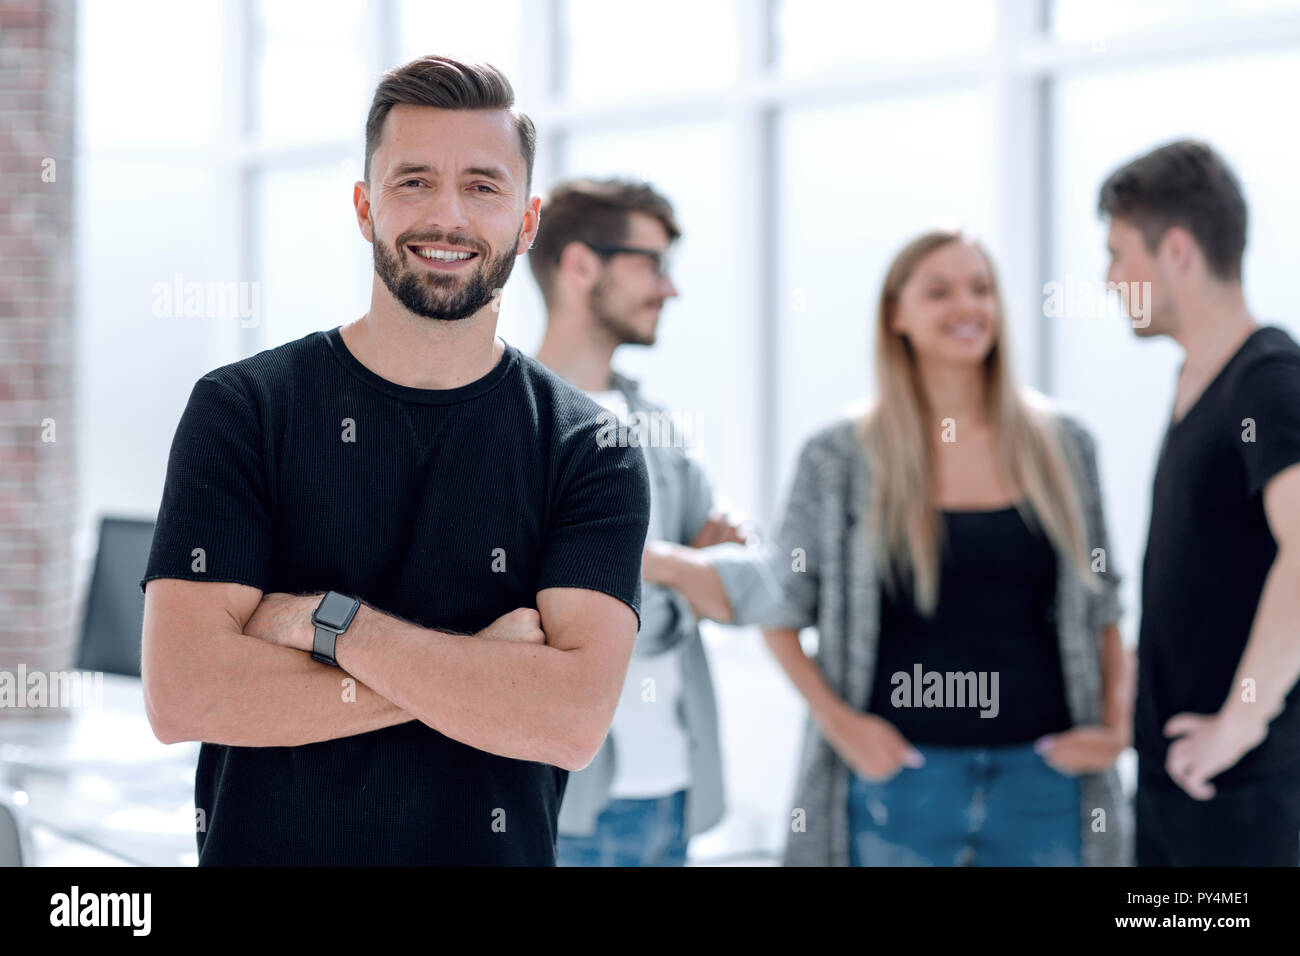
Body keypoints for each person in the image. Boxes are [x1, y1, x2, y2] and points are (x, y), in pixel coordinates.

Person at [138, 55, 651, 866]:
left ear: (527, 221)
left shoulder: (591, 451)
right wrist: (487, 674)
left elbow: (568, 724)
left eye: (483, 185)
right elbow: (185, 693)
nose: (446, 215)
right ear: (363, 205)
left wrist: (324, 624)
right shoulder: (244, 410)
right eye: (413, 181)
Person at [654, 229, 1133, 866]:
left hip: (1045, 779)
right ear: (896, 315)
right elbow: (780, 605)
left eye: (981, 289)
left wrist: (1115, 732)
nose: (968, 307)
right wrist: (844, 728)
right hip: (899, 781)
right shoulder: (841, 457)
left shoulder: (1065, 445)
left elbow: (1103, 610)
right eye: (940, 292)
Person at [530, 178, 761, 866]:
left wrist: (626, 566)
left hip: (676, 795)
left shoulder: (661, 428)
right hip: (562, 805)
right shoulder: (507, 425)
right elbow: (512, 612)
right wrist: (681, 567)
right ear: (580, 267)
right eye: (651, 265)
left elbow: (751, 586)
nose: (670, 289)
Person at [1098, 139, 1300, 866]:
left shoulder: (1267, 379)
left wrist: (1241, 719)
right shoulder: (1198, 382)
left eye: (1119, 255)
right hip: (1175, 793)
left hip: (1241, 801)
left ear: (1175, 250)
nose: (1110, 279)